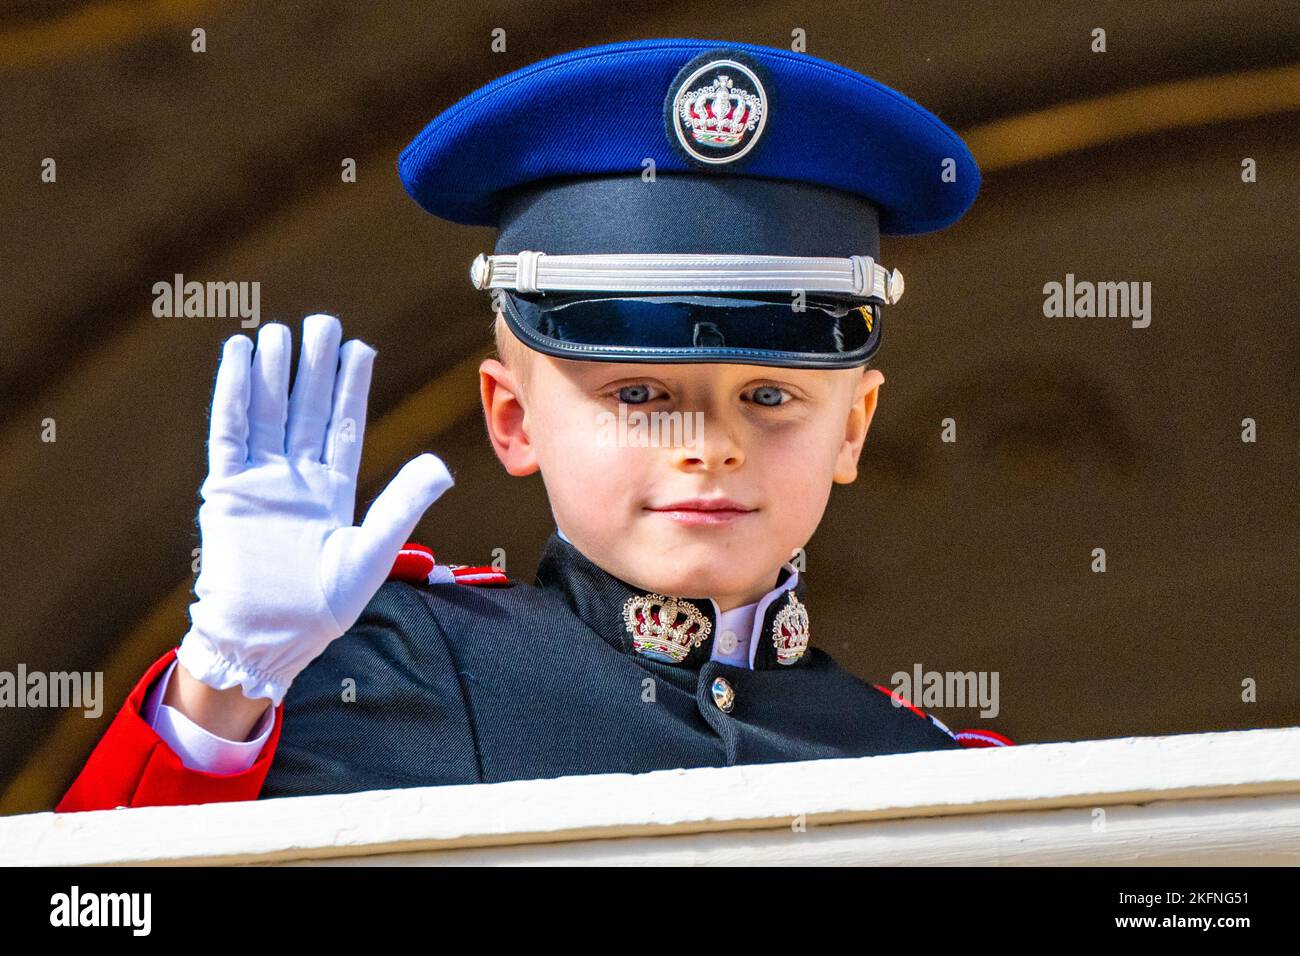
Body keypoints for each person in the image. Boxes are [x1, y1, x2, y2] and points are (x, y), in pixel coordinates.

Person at [57, 38, 1011, 813]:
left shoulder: (935, 769)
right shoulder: (395, 667)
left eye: (769, 397)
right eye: (636, 395)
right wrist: (225, 688)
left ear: (853, 429)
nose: (709, 446)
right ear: (512, 420)